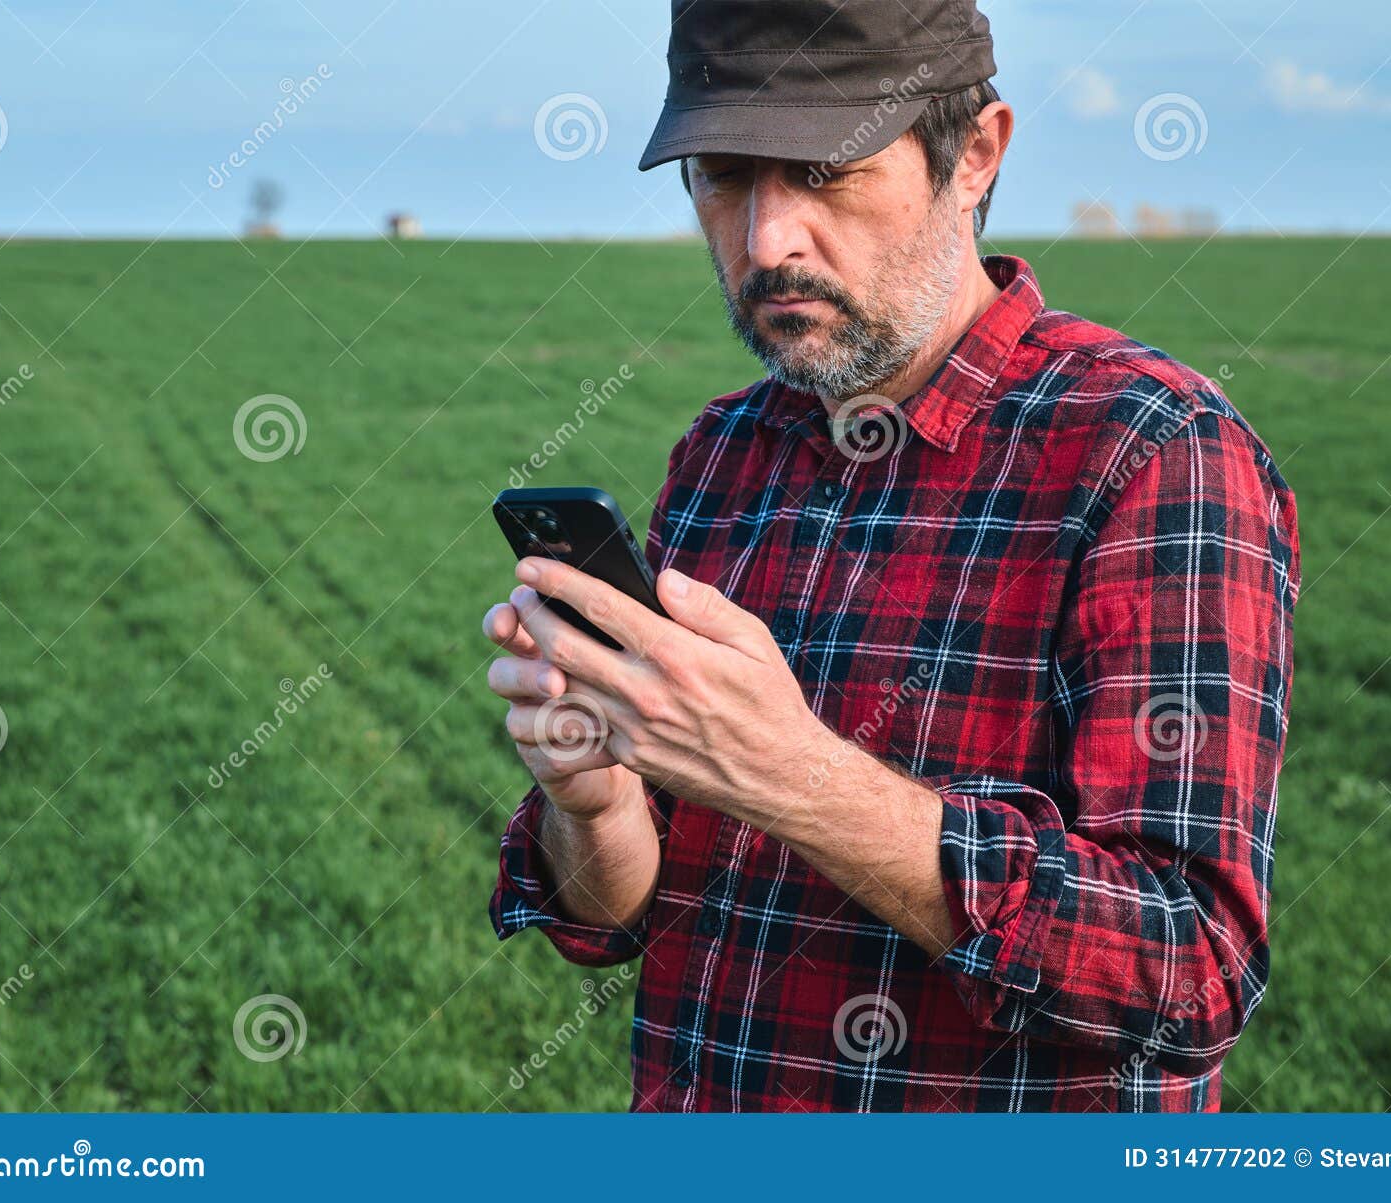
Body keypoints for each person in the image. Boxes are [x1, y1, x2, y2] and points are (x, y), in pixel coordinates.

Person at [485, 0, 1299, 1112]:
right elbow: (620, 913)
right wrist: (595, 805)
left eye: (823, 171)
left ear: (973, 155)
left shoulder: (1150, 451)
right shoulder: (725, 455)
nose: (766, 239)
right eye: (723, 176)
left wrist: (792, 776)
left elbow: (1191, 973)